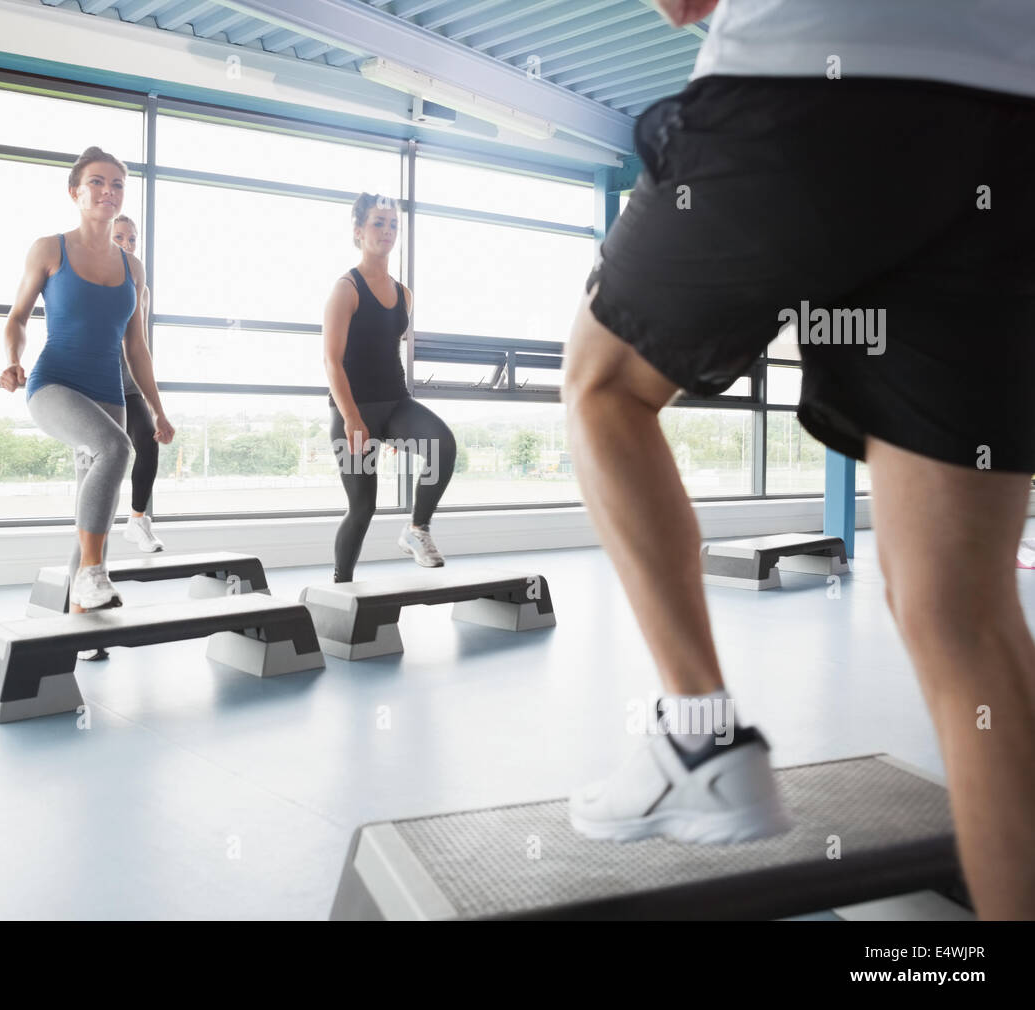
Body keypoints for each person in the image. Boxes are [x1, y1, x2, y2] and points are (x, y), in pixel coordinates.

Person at [561, 0, 1035, 919]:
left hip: (808, 73)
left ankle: (699, 739)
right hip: (1011, 124)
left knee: (603, 385)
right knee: (965, 614)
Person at [0, 146, 174, 625]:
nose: (107, 191)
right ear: (75, 192)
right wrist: (12, 360)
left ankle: (83, 621)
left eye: (117, 184)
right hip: (54, 384)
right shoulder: (49, 249)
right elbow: (17, 318)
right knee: (116, 449)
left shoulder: (133, 269)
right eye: (96, 182)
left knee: (92, 511)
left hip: (109, 394)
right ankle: (94, 575)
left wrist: (157, 410)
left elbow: (136, 348)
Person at [323, 193, 457, 583]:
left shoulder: (404, 294)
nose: (387, 231)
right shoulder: (346, 289)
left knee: (442, 445)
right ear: (358, 231)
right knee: (362, 508)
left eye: (393, 224)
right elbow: (332, 361)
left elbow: (387, 354)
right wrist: (352, 419)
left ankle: (417, 528)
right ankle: (340, 586)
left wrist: (398, 427)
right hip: (353, 412)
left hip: (396, 405)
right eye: (378, 223)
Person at [110, 214, 165, 553]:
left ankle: (137, 521)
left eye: (132, 239)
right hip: (96, 385)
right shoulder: (91, 279)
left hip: (128, 385)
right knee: (106, 454)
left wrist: (157, 409)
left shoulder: (141, 290)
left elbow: (139, 345)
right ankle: (90, 537)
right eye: (119, 237)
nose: (127, 244)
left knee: (148, 442)